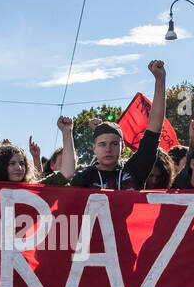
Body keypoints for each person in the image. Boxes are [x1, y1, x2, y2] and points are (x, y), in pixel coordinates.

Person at [70, 60, 165, 190]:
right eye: (102, 144)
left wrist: (160, 79)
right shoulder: (83, 178)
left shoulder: (134, 170)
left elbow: (154, 130)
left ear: (123, 147)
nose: (108, 149)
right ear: (94, 148)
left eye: (114, 144)